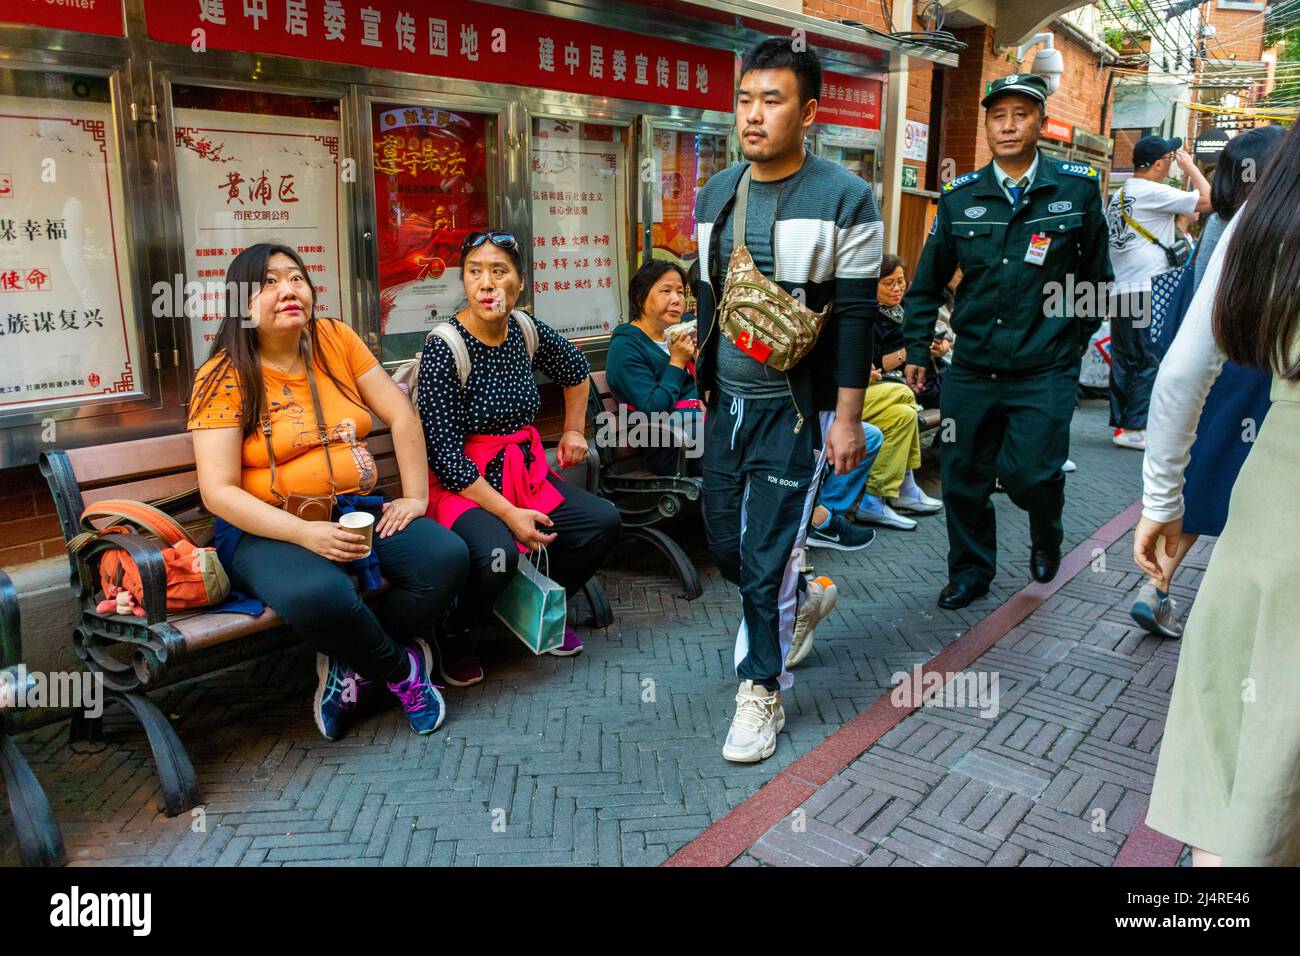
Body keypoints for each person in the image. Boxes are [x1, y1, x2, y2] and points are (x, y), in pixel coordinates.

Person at [189, 243, 468, 741]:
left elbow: (401, 414)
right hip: (265, 528)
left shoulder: (335, 339)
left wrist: (416, 497)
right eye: (268, 283)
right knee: (323, 594)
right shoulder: (222, 376)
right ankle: (401, 671)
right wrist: (304, 534)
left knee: (444, 558)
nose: (288, 290)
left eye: (295, 278)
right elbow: (218, 491)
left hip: (352, 509)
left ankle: (350, 661)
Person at [695, 37, 878, 763]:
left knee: (765, 559)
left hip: (797, 415)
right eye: (745, 99)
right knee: (726, 547)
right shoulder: (716, 193)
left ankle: (761, 691)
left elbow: (859, 313)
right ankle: (798, 601)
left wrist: (850, 417)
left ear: (808, 112)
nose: (753, 114)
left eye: (772, 100)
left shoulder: (845, 195)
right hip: (726, 410)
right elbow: (712, 296)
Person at [1135, 114, 1300, 866]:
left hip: (1277, 523)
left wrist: (1160, 501)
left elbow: (1180, 371)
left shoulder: (1269, 216)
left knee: (1241, 785)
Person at [902, 73, 1112, 610]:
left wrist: (1071, 341)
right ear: (987, 125)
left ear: (1041, 122)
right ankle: (971, 571)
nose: (1009, 125)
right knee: (963, 475)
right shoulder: (959, 198)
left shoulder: (1077, 189)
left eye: (1022, 114)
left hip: (1045, 366)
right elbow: (925, 286)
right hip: (973, 366)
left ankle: (1047, 532)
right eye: (999, 116)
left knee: (1031, 474)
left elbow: (1095, 280)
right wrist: (920, 349)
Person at [416, 230, 622, 682]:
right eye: (475, 272)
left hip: (524, 474)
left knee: (602, 523)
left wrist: (573, 429)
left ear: (519, 282)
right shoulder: (444, 349)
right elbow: (447, 462)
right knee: (499, 551)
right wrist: (511, 515)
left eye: (499, 271)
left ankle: (541, 604)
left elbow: (575, 368)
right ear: (464, 282)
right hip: (465, 488)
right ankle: (458, 629)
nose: (487, 283)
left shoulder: (524, 329)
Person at [1129, 124, 1285, 638]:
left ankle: (1158, 584)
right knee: (1243, 483)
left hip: (1215, 365)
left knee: (1206, 474)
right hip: (1252, 368)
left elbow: (1184, 366)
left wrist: (1158, 500)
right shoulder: (1260, 226)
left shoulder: (1225, 223)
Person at [1105, 136, 1211, 450]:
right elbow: (1210, 200)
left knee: (1124, 359)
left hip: (1122, 289)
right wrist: (1191, 168)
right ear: (1159, 163)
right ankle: (1135, 427)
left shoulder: (1121, 193)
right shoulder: (1153, 192)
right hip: (1148, 288)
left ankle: (1122, 425)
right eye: (1169, 157)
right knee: (1147, 358)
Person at [853, 254, 944, 531]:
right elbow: (875, 362)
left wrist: (939, 346)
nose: (896, 288)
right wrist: (912, 352)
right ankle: (904, 486)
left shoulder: (906, 309)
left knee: (904, 415)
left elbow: (941, 331)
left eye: (901, 282)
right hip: (866, 389)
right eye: (888, 283)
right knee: (906, 399)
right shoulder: (863, 314)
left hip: (891, 386)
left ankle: (878, 498)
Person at [605, 259, 703, 475]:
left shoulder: (681, 330)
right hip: (666, 443)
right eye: (666, 291)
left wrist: (699, 353)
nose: (677, 300)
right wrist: (677, 362)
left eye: (680, 291)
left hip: (695, 427)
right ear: (640, 298)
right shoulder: (626, 347)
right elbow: (652, 410)